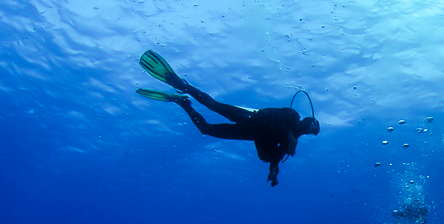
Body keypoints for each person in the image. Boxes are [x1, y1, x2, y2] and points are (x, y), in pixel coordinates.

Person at [135, 50, 320, 186]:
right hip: (250, 119)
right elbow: (273, 114)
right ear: (306, 121)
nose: (306, 129)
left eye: (310, 131)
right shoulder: (292, 116)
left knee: (206, 129)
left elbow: (275, 157)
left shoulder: (291, 143)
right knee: (213, 105)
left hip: (248, 133)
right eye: (310, 126)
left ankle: (182, 103)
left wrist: (274, 170)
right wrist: (288, 134)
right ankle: (182, 84)